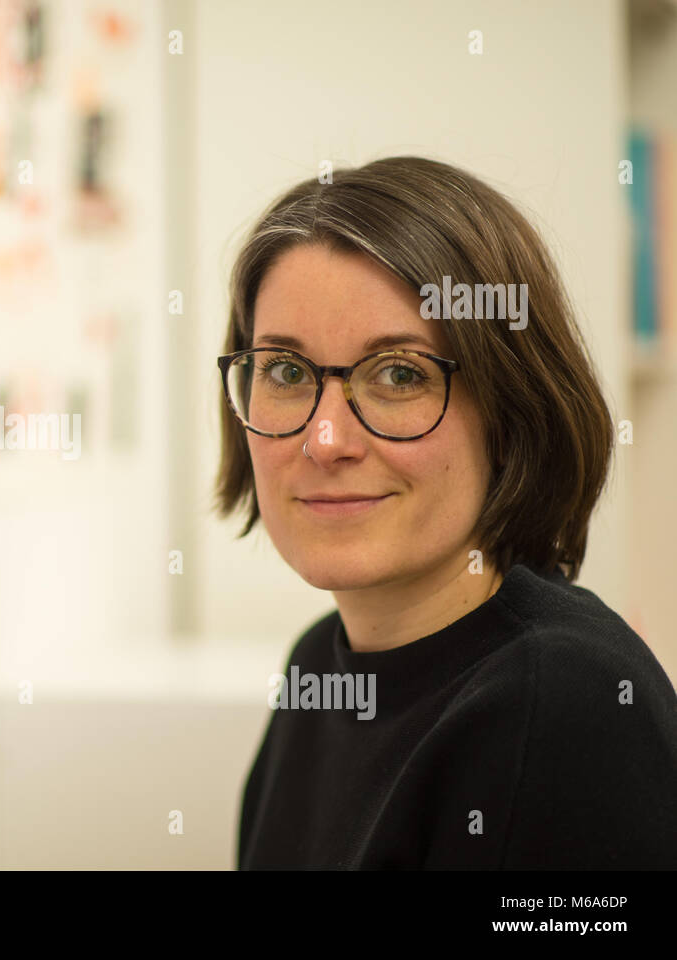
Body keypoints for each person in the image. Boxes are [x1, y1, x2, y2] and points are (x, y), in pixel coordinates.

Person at [218, 156, 677, 869]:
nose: (325, 439)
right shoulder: (321, 663)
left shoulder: (560, 702)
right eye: (285, 371)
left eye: (399, 374)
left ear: (511, 414)